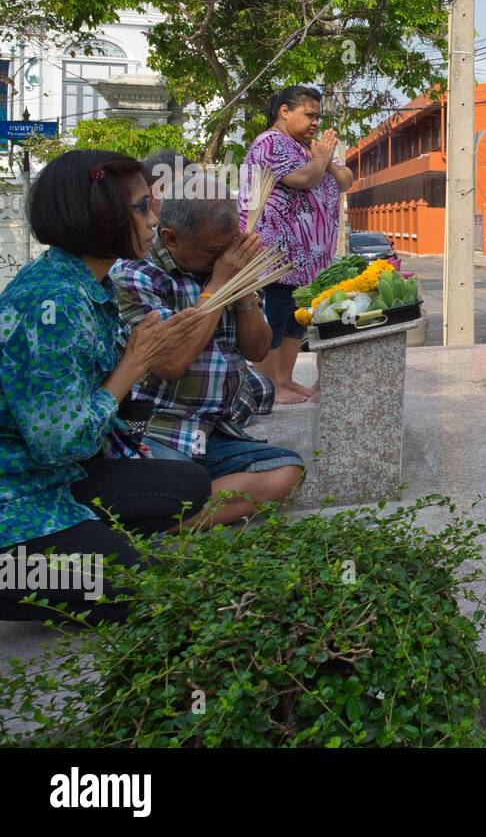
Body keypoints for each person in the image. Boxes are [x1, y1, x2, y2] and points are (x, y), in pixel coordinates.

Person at [0, 151, 212, 623]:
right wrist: (133, 365)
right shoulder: (52, 302)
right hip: (18, 495)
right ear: (99, 215)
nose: (155, 219)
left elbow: (105, 412)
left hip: (61, 477)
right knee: (142, 589)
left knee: (190, 484)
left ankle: (87, 544)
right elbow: (61, 443)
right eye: (142, 208)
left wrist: (148, 357)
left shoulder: (89, 283)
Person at [112, 169, 306, 528]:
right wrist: (218, 285)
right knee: (177, 480)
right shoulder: (137, 274)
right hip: (160, 430)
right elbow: (170, 363)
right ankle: (168, 504)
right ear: (171, 238)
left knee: (286, 472)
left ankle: (165, 522)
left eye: (228, 247)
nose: (224, 257)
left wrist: (242, 286)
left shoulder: (223, 261)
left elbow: (259, 349)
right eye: (214, 251)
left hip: (214, 431)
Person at [240, 85, 354, 404]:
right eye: (310, 115)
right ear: (285, 111)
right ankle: (267, 385)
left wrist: (324, 159)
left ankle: (284, 379)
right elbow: (303, 179)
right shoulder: (270, 142)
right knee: (275, 316)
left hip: (308, 259)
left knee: (296, 319)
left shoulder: (307, 148)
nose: (316, 122)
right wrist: (319, 160)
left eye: (319, 116)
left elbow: (345, 181)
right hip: (278, 253)